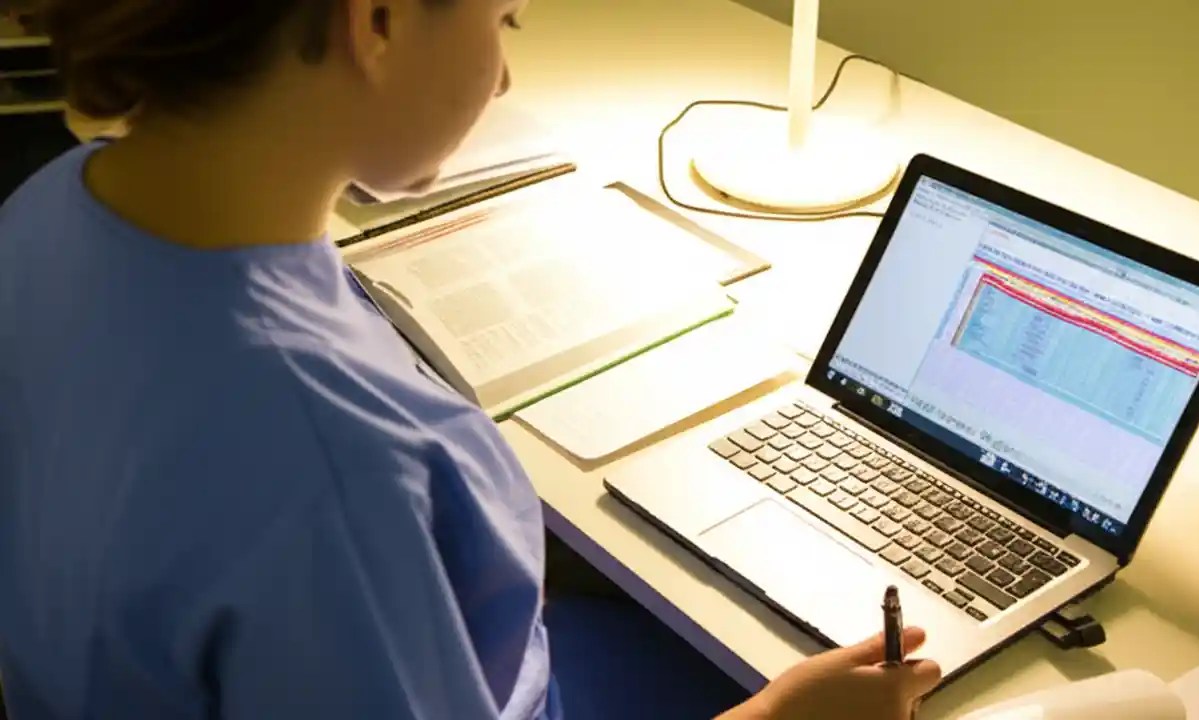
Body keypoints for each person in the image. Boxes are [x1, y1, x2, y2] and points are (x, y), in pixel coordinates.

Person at [0, 0, 942, 717]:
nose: (501, 80)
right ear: (375, 21)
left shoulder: (48, 208)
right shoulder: (327, 470)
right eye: (503, 19)